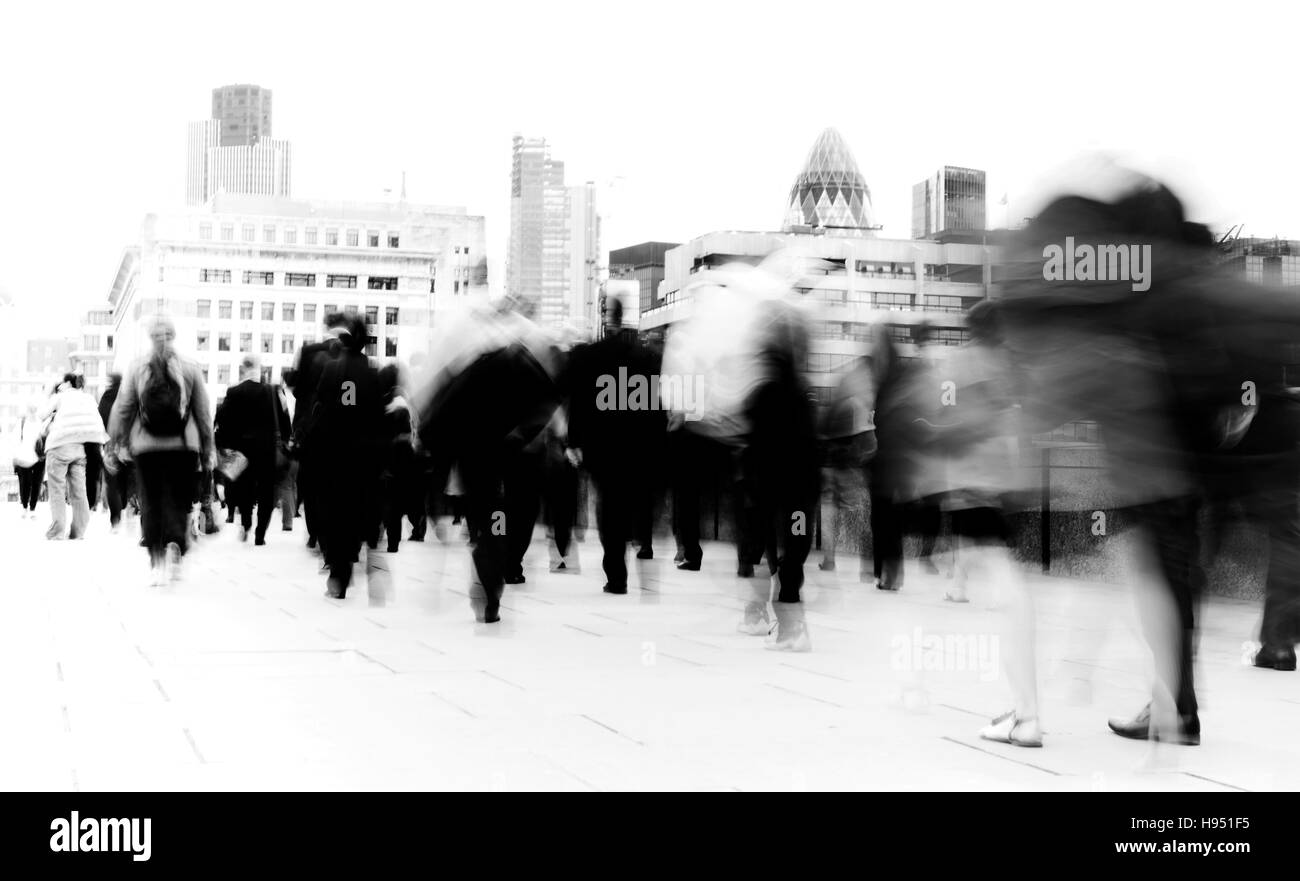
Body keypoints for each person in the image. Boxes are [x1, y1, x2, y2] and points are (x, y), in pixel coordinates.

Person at [564, 298, 664, 593]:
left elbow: (579, 402)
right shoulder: (646, 358)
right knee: (631, 499)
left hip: (603, 445)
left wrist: (574, 441)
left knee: (609, 506)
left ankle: (616, 574)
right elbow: (654, 406)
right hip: (637, 444)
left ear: (605, 319)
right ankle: (634, 541)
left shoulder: (591, 357)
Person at [109, 314, 214, 584]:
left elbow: (124, 406)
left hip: (147, 447)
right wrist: (207, 448)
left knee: (151, 501)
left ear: (150, 338)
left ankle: (156, 560)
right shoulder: (190, 367)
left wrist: (114, 444)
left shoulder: (137, 367)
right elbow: (203, 413)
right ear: (173, 336)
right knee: (178, 500)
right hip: (183, 446)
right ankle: (176, 542)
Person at [303, 314, 386, 599]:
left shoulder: (333, 369)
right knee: (356, 508)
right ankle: (356, 552)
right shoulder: (373, 374)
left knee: (335, 512)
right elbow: (378, 418)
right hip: (364, 457)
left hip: (335, 453)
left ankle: (339, 574)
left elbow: (325, 407)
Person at [215, 355, 290, 545]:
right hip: (266, 448)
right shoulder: (274, 391)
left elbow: (222, 420)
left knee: (244, 488)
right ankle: (260, 534)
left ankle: (246, 523)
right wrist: (287, 439)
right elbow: (284, 417)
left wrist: (225, 445)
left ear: (243, 369)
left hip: (242, 449)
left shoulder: (234, 392)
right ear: (260, 369)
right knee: (267, 491)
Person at [289, 311, 349, 551]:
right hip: (340, 430)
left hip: (310, 429)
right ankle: (333, 529)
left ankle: (314, 532)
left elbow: (298, 390)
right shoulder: (352, 355)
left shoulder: (308, 352)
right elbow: (350, 396)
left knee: (311, 482)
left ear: (326, 326)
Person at [37, 373, 107, 540]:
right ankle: (78, 531)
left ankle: (57, 531)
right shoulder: (89, 398)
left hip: (59, 446)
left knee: (57, 490)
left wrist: (47, 394)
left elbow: (41, 414)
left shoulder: (61, 396)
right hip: (80, 448)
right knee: (79, 490)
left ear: (67, 384)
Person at [98, 372, 133, 530]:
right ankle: (126, 509)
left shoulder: (106, 397)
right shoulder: (129, 396)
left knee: (112, 483)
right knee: (127, 479)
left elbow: (100, 420)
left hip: (110, 442)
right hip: (129, 444)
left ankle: (115, 519)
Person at [12, 404, 45, 518]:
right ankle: (25, 507)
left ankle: (33, 509)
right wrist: (15, 457)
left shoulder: (41, 422)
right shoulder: (22, 422)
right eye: (30, 408)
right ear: (27, 409)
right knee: (25, 483)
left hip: (39, 457)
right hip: (23, 457)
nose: (32, 410)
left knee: (36, 483)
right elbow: (15, 440)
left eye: (34, 408)